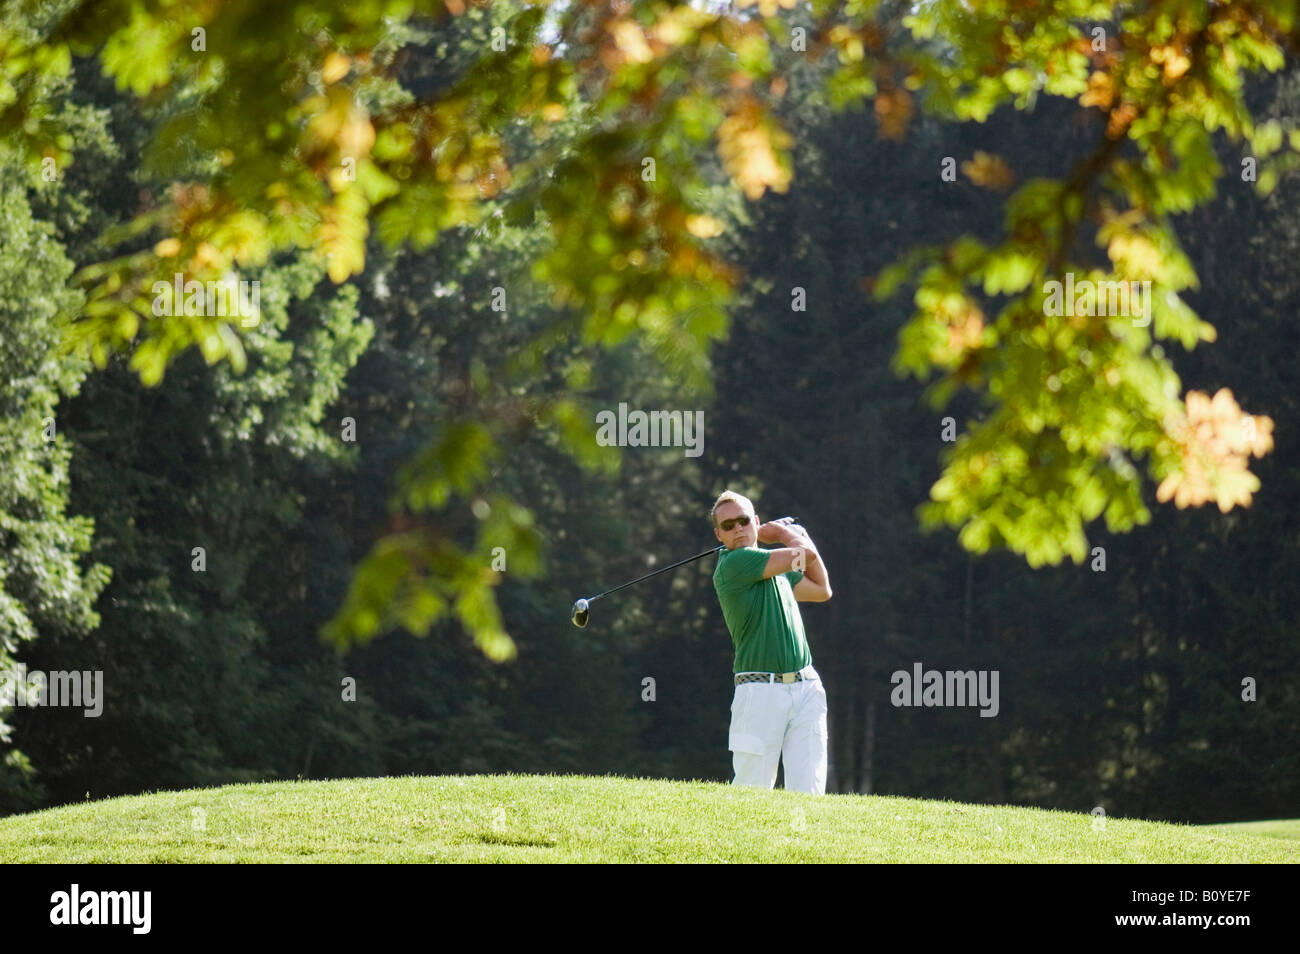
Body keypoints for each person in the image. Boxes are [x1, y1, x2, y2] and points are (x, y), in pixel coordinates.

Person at [710, 490, 832, 795]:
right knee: (752, 794)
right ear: (719, 535)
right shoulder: (735, 564)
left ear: (755, 522)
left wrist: (794, 538)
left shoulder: (774, 570)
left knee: (809, 793)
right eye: (728, 526)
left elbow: (822, 589)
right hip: (760, 691)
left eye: (743, 520)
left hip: (806, 687)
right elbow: (805, 556)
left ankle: (802, 844)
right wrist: (784, 533)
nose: (737, 528)